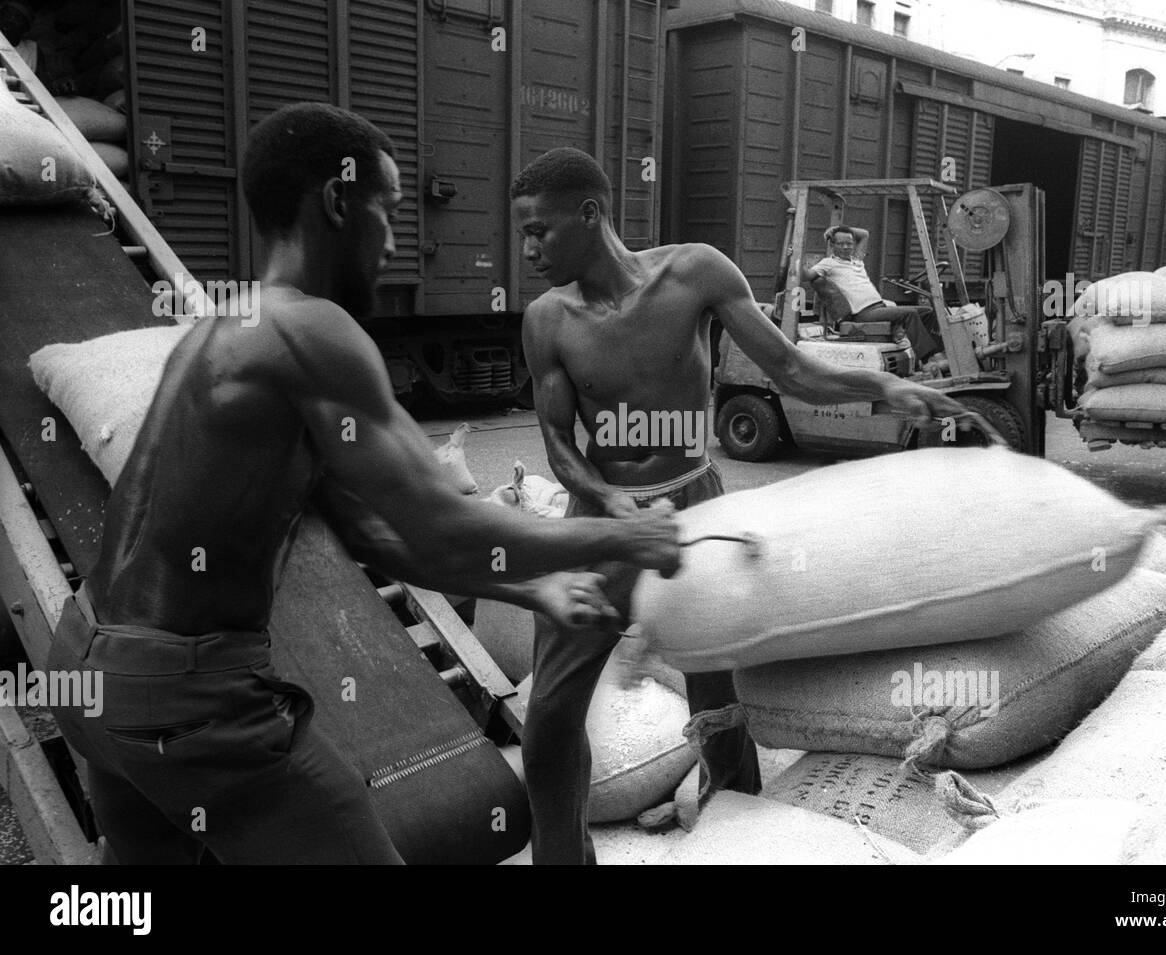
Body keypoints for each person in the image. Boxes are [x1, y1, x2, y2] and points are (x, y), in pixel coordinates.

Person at [44, 104, 683, 865]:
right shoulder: (312, 330)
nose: (394, 241)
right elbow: (442, 519)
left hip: (87, 670)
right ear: (338, 203)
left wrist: (532, 589)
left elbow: (380, 535)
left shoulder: (227, 326)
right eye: (388, 211)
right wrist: (627, 533)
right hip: (188, 703)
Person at [512, 147, 969, 864]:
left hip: (698, 513)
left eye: (539, 231)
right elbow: (559, 447)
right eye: (524, 235)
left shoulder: (695, 272)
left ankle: (733, 837)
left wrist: (881, 388)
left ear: (590, 214)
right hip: (602, 521)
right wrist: (609, 501)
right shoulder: (547, 320)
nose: (529, 250)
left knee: (717, 697)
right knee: (548, 717)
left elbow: (789, 367)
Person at [803, 225, 941, 361]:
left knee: (927, 312)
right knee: (910, 314)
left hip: (879, 307)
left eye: (849, 243)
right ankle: (929, 359)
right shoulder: (828, 263)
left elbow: (864, 234)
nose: (845, 247)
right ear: (832, 245)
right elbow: (807, 276)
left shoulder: (857, 259)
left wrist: (837, 228)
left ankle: (935, 352)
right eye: (840, 243)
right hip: (863, 313)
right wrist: (797, 258)